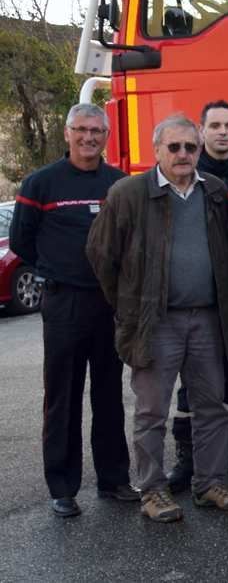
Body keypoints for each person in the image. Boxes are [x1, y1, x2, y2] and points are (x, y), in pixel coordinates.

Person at [87, 114, 228, 522]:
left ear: (199, 150)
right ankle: (153, 490)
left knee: (211, 406)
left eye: (190, 147)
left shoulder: (213, 190)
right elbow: (102, 255)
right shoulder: (128, 193)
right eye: (173, 147)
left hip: (207, 319)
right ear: (156, 150)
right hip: (156, 322)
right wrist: (130, 307)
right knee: (152, 412)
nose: (182, 154)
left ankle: (209, 483)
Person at [11, 103, 136, 517]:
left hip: (108, 301)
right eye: (81, 129)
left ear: (107, 136)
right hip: (64, 302)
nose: (89, 137)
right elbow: (22, 241)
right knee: (62, 395)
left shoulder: (119, 184)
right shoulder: (41, 183)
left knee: (109, 393)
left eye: (97, 131)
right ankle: (62, 487)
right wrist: (56, 269)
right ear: (67, 133)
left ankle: (114, 479)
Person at [169, 100, 228, 492]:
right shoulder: (188, 174)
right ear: (201, 130)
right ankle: (187, 457)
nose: (223, 132)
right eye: (215, 125)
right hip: (202, 299)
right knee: (196, 380)